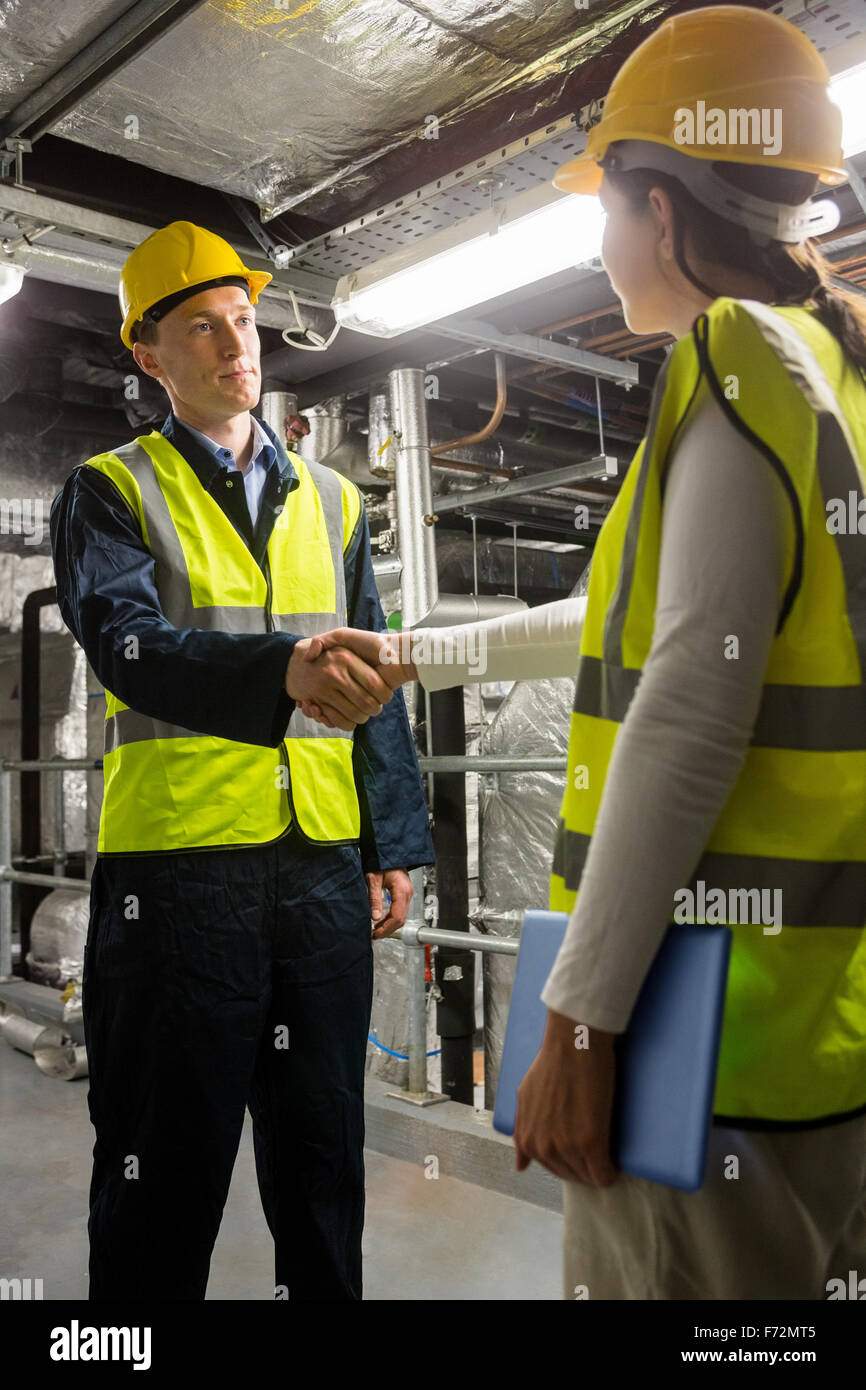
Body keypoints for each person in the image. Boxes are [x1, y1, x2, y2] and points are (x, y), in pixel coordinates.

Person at [294, 6, 866, 1299]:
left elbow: (687, 704)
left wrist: (577, 1022)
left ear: (659, 210)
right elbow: (630, 623)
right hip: (824, 1029)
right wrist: (407, 653)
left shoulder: (732, 358)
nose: (602, 247)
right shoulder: (836, 379)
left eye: (602, 209)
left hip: (703, 1041)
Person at [49, 220, 435, 1301]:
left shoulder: (337, 500)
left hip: (317, 874)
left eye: (245, 322)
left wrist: (390, 839)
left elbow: (379, 677)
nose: (235, 345)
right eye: (201, 327)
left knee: (322, 1170)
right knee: (160, 1177)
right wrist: (279, 671)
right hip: (177, 884)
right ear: (147, 353)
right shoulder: (110, 490)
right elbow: (126, 647)